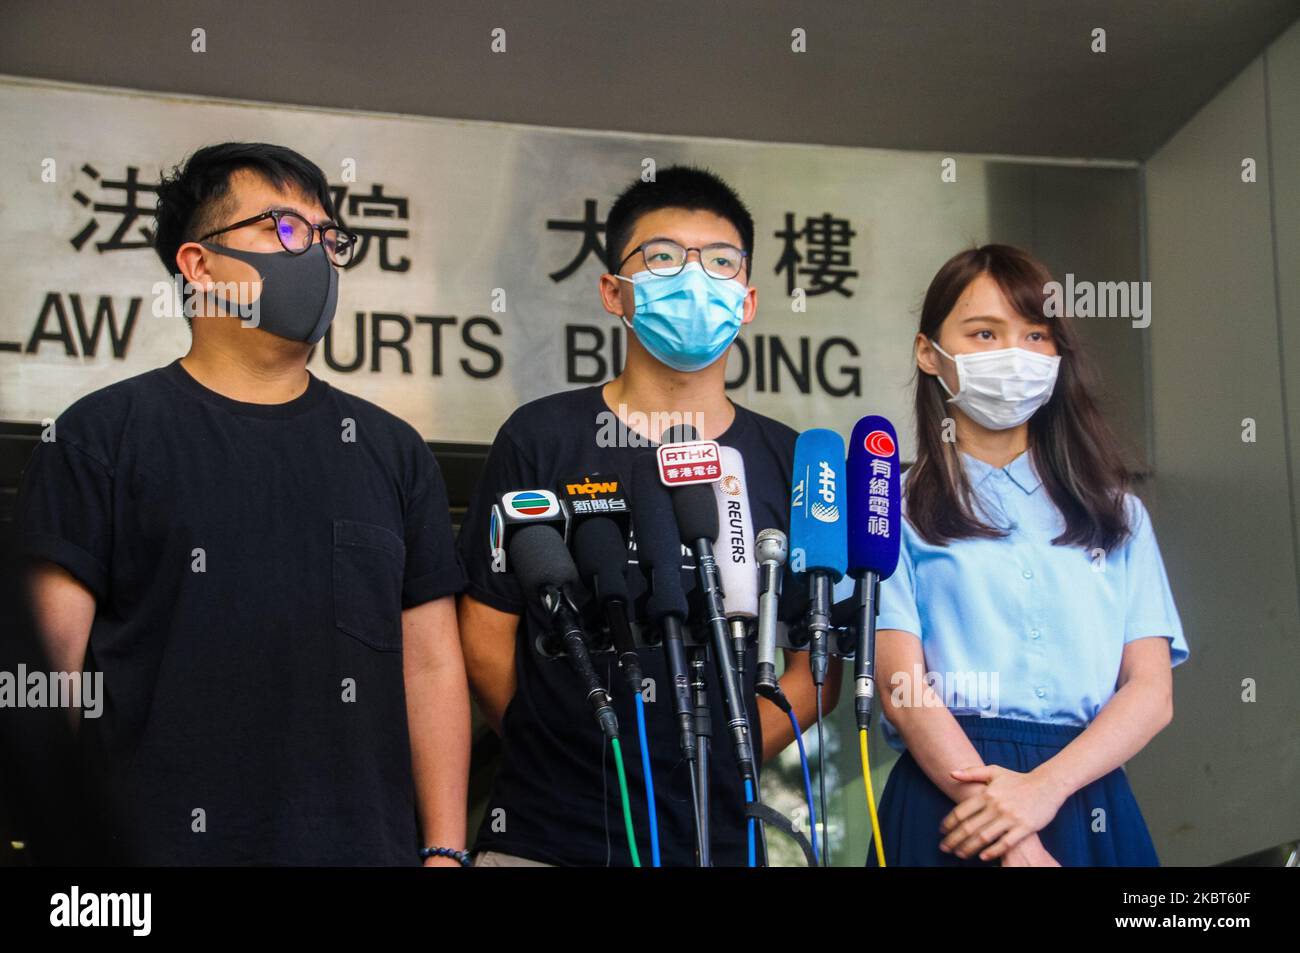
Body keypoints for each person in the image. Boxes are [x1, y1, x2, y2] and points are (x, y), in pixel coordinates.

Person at [17, 142, 471, 866]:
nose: (316, 254)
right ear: (198, 266)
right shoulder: (98, 438)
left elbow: (431, 668)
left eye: (329, 238)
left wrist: (446, 851)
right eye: (284, 229)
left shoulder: (392, 451)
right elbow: (49, 674)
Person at [456, 165, 839, 866]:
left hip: (717, 832)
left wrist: (731, 743)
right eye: (662, 258)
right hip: (549, 830)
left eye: (720, 263)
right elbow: (483, 634)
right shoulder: (541, 438)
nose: (695, 279)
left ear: (748, 300)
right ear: (614, 291)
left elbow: (817, 666)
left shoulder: (789, 461)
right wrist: (566, 738)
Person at [869, 244, 1187, 867]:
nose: (1014, 353)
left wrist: (1044, 789)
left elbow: (1151, 692)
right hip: (951, 796)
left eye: (1036, 334)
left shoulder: (1118, 514)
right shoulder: (889, 506)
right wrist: (1011, 836)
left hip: (1085, 787)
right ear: (928, 352)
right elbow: (899, 685)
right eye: (984, 332)